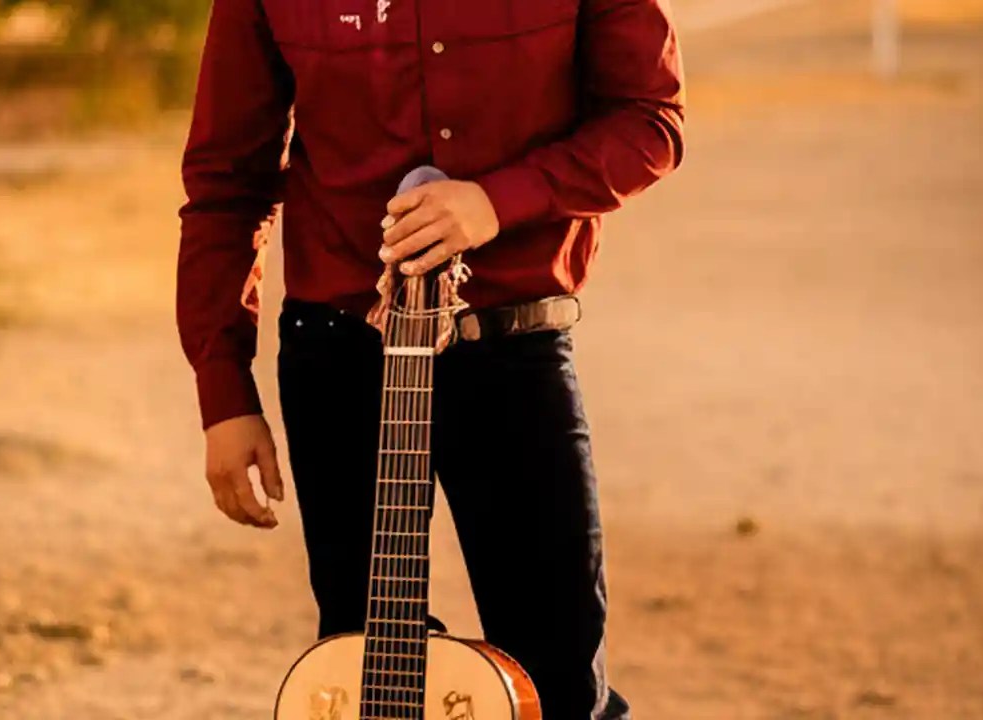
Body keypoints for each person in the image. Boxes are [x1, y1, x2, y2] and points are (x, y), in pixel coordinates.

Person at [177, 0, 684, 716]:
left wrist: (495, 202)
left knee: (559, 680)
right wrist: (223, 391)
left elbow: (650, 121)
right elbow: (226, 184)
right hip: (339, 357)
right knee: (366, 675)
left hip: (510, 348)